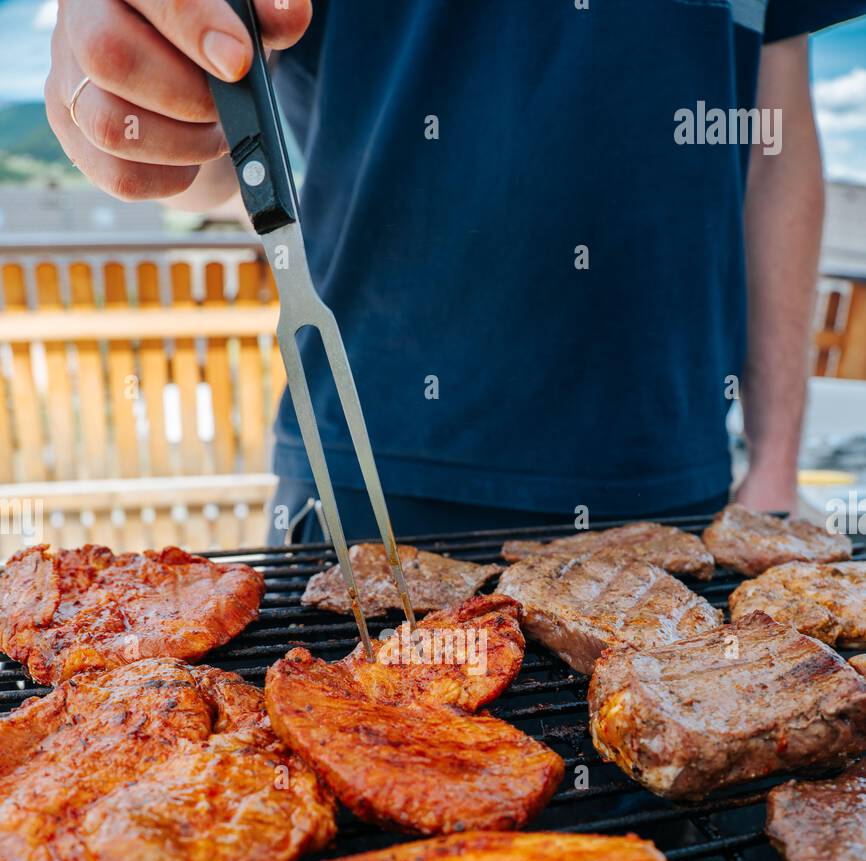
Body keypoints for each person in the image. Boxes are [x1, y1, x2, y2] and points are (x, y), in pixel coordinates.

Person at [46, 0, 866, 543]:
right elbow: (223, 166)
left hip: (674, 476)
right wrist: (154, 90)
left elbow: (773, 145)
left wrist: (776, 467)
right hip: (366, 474)